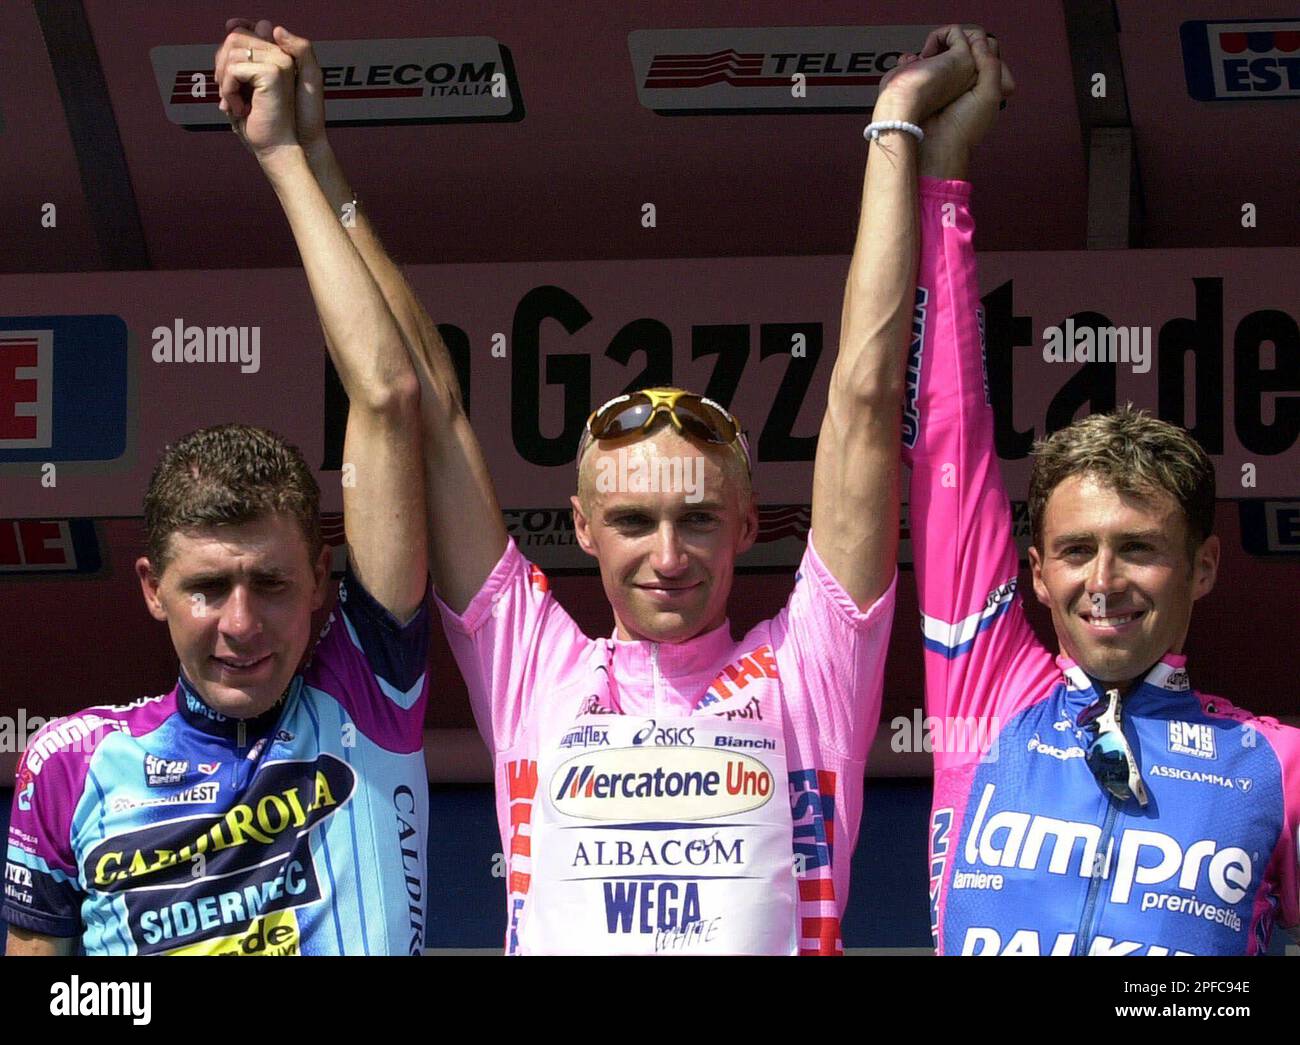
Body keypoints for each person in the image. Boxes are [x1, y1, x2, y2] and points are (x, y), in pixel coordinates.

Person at [388, 29, 986, 954]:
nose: (667, 557)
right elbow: (421, 402)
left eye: (698, 519)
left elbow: (865, 400)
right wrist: (298, 160)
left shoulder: (809, 669)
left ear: (748, 523)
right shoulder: (537, 672)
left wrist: (893, 125)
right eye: (633, 520)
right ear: (582, 527)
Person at [3, 20, 432, 955]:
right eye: (207, 587)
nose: (241, 624)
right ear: (154, 587)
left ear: (321, 580)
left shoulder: (368, 690)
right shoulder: (72, 763)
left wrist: (289, 155)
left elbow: (391, 398)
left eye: (271, 583)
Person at [907, 29, 1300, 954]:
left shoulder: (1274, 764)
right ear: (1035, 571)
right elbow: (947, 439)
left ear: (1202, 565)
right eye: (1077, 549)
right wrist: (946, 175)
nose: (1105, 579)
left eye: (1141, 547)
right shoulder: (988, 687)